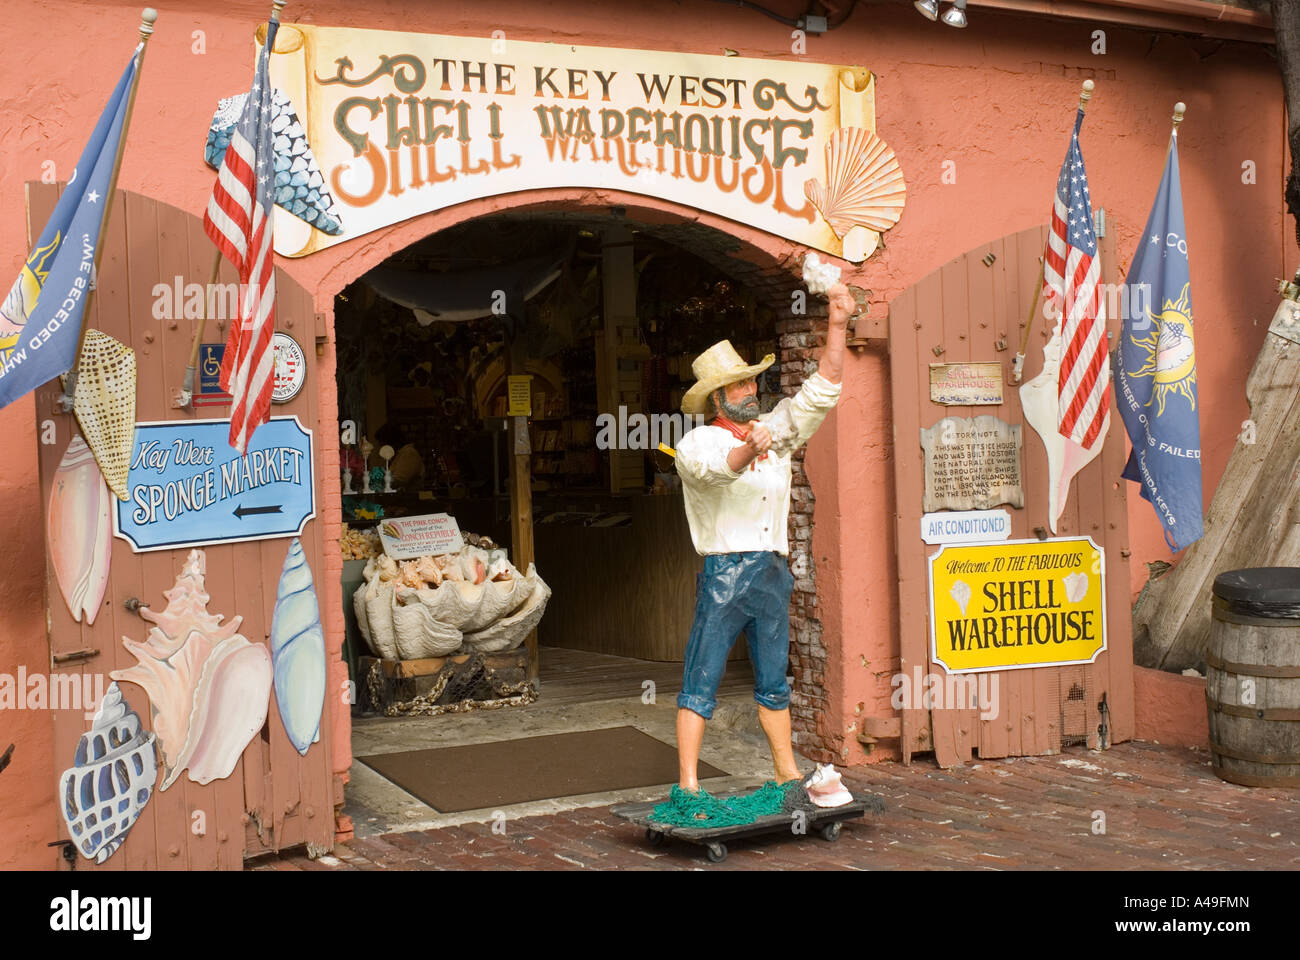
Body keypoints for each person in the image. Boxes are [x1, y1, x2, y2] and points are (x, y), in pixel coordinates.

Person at [672, 282, 855, 805]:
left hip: (772, 571)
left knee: (775, 676)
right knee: (701, 673)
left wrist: (837, 324)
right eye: (738, 388)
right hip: (726, 571)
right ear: (716, 399)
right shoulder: (698, 442)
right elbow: (713, 474)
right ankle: (688, 783)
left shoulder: (774, 428)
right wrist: (747, 452)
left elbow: (822, 390)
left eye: (752, 382)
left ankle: (784, 771)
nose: (752, 391)